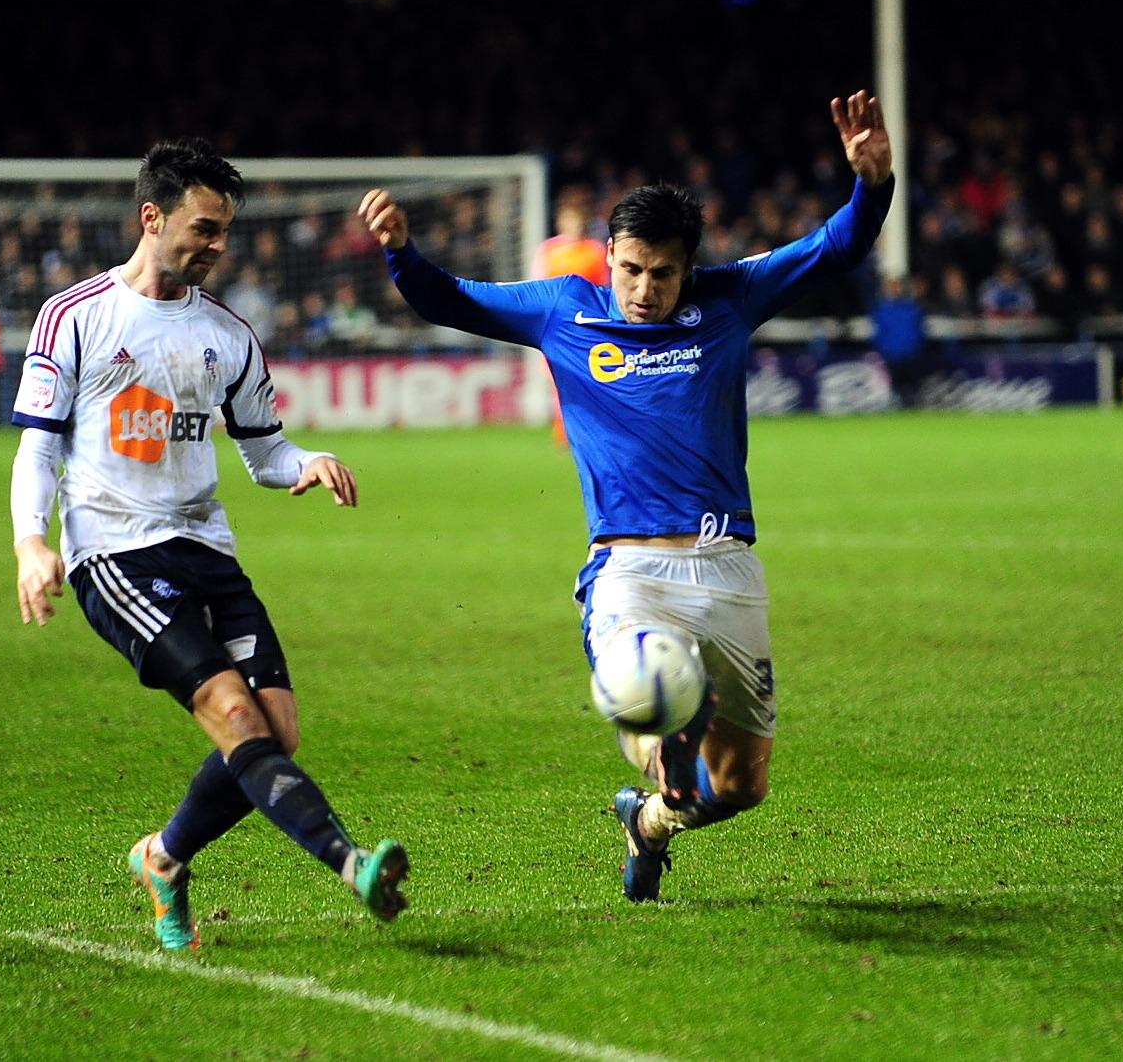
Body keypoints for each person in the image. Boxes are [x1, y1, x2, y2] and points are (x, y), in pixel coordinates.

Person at [360, 93, 893, 903]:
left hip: (726, 567)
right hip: (628, 570)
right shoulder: (561, 310)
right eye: (631, 269)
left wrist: (872, 185)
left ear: (689, 266)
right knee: (649, 691)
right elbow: (450, 299)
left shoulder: (730, 298)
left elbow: (835, 247)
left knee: (741, 786)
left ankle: (646, 821)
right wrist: (402, 251)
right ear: (607, 252)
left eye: (663, 273)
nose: (644, 289)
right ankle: (665, 749)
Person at [10, 138, 408, 949]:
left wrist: (308, 461)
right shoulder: (75, 315)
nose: (217, 245)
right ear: (151, 217)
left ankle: (162, 856)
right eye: (203, 227)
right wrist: (30, 542)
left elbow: (265, 454)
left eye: (224, 230)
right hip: (115, 554)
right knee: (231, 710)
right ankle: (352, 863)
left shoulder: (228, 334)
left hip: (207, 551)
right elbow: (39, 446)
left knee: (277, 728)